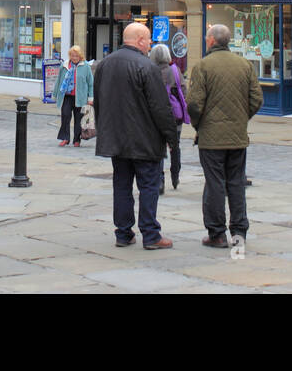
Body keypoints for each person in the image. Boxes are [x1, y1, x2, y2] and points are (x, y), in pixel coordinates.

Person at [93, 22, 177, 250]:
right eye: (148, 39)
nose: (150, 44)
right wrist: (171, 138)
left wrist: (104, 130)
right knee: (148, 186)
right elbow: (161, 108)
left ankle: (123, 233)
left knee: (121, 185)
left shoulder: (104, 64)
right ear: (140, 40)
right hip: (144, 139)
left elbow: (98, 102)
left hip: (116, 139)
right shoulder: (147, 67)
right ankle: (150, 235)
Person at [188, 24, 262, 249]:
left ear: (211, 41)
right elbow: (257, 98)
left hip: (211, 138)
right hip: (237, 136)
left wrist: (199, 124)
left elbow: (193, 103)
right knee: (236, 183)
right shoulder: (245, 65)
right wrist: (241, 118)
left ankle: (217, 233)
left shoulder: (202, 66)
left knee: (215, 183)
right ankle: (239, 231)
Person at [149, 43, 187, 190]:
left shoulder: (150, 71)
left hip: (156, 114)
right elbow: (183, 91)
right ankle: (175, 175)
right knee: (175, 144)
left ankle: (160, 180)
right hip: (174, 114)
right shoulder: (175, 70)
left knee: (159, 146)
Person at [56, 45, 94, 148]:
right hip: (67, 96)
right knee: (65, 116)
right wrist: (55, 94)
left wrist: (91, 98)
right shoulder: (64, 66)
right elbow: (59, 81)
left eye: (76, 56)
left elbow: (90, 83)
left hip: (80, 97)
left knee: (78, 120)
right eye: (72, 55)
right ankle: (65, 138)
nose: (74, 58)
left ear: (80, 56)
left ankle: (77, 140)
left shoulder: (85, 66)